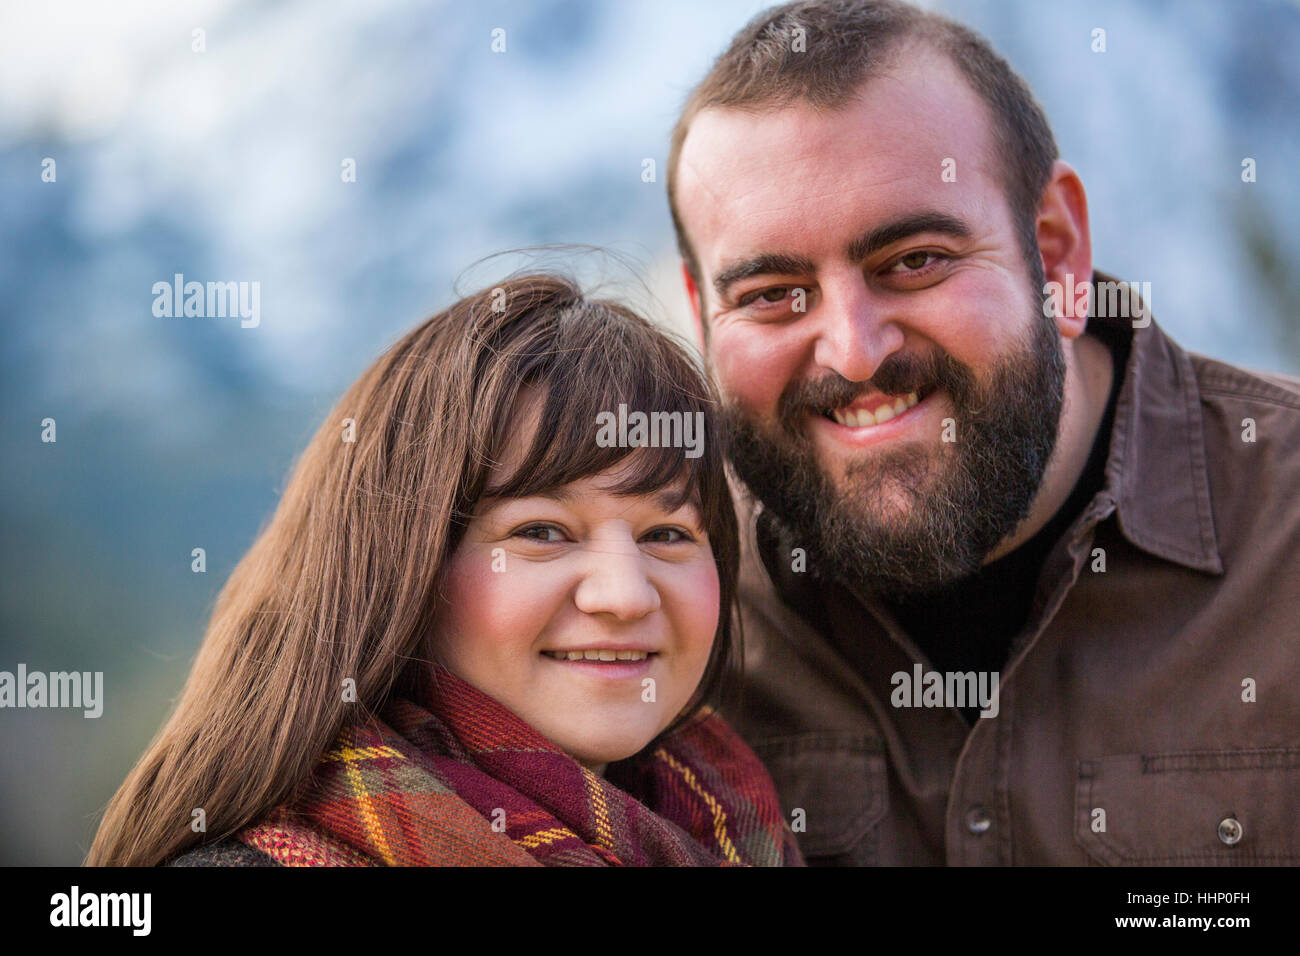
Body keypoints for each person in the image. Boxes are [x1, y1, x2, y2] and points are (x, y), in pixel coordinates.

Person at [667, 0, 1300, 864]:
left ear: (1057, 252)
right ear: (703, 312)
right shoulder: (654, 593)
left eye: (914, 261)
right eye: (772, 293)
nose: (853, 354)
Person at [87, 274, 802, 867]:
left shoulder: (733, 821)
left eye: (668, 533)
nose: (623, 594)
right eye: (542, 531)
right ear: (406, 569)